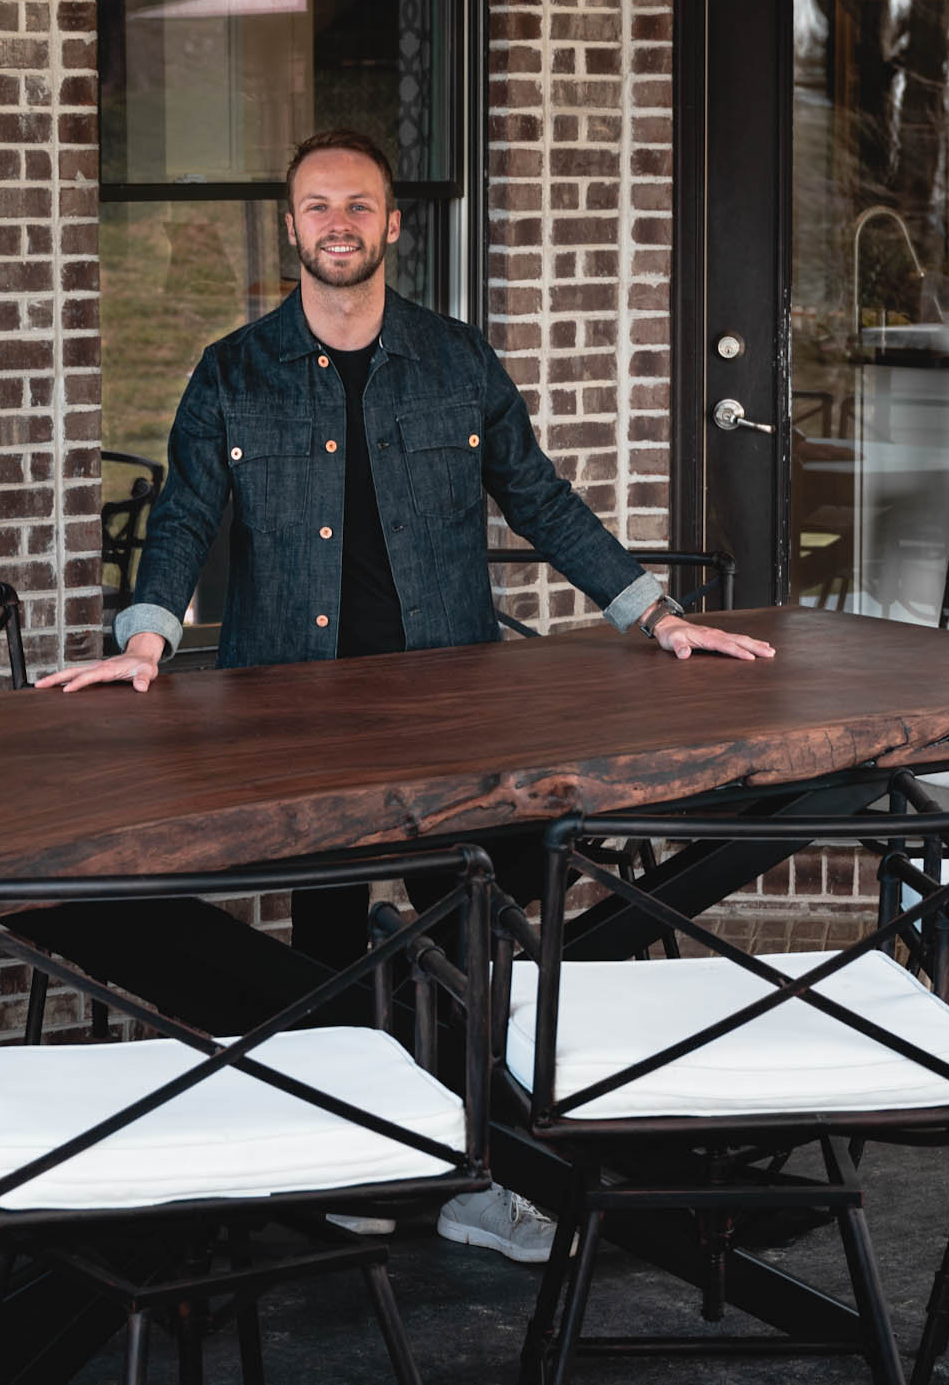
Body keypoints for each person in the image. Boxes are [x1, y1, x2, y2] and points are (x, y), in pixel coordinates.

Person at [40, 128, 774, 1259]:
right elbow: (183, 516)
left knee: (469, 921)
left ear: (391, 225)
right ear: (289, 228)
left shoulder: (456, 361)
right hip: (287, 710)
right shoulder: (230, 373)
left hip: (448, 703)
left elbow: (538, 496)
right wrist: (144, 640)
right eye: (317, 205)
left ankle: (485, 1169)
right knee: (325, 935)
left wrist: (654, 615)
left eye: (359, 205)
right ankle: (355, 1153)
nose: (338, 223)